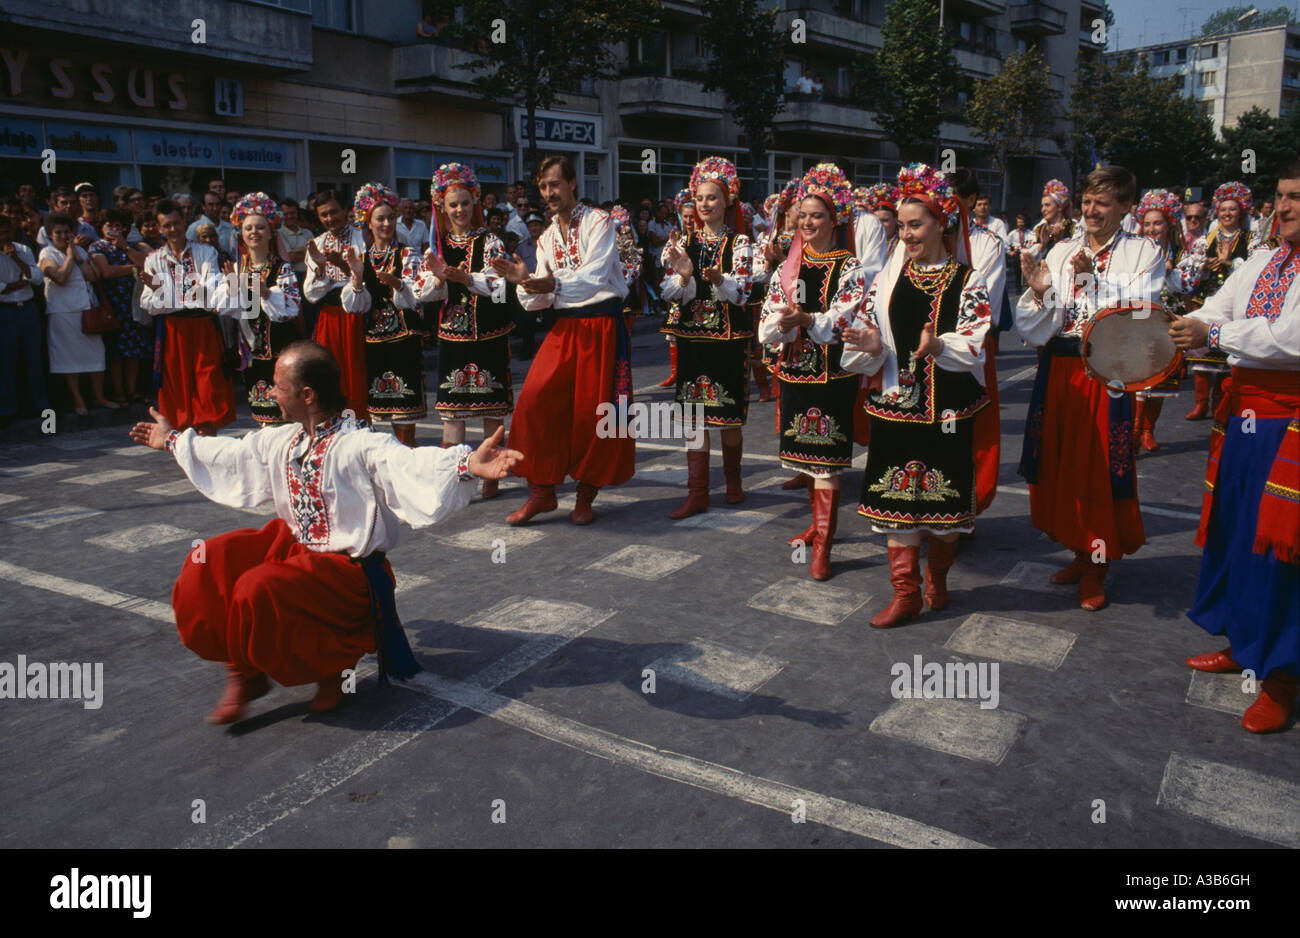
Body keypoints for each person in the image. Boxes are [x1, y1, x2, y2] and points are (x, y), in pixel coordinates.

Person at [128, 339, 523, 723]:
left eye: (279, 387)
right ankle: (244, 673)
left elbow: (409, 465)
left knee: (259, 589)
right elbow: (231, 455)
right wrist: (174, 440)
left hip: (346, 571)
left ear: (308, 395)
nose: (271, 394)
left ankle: (328, 666)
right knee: (207, 564)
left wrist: (467, 464)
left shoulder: (360, 445)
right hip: (297, 552)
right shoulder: (283, 440)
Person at [1168, 161, 1299, 733]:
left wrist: (1213, 334)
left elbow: (1290, 340)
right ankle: (1246, 643)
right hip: (1245, 410)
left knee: (1282, 544)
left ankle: (1283, 677)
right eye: (1280, 196)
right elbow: (1218, 308)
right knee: (1239, 526)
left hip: (1290, 420)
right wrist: (1182, 323)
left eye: (1297, 197)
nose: (1285, 207)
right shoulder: (1264, 260)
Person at [842, 163, 995, 625]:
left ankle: (939, 577)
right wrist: (870, 345)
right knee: (895, 505)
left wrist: (939, 346)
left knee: (944, 511)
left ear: (941, 223)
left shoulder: (969, 280)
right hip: (895, 408)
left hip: (948, 409)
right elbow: (869, 333)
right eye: (902, 225)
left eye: (916, 224)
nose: (906, 234)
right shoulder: (887, 281)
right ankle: (905, 593)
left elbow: (975, 340)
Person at [1016, 165, 1163, 610]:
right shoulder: (1061, 250)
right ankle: (1080, 553)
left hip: (1106, 371)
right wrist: (1041, 292)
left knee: (1097, 468)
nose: (1091, 210)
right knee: (1060, 464)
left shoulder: (1143, 252)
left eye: (1102, 202)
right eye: (1087, 201)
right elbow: (1035, 326)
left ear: (1125, 207)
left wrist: (1091, 282)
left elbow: (1141, 311)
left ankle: (1097, 566)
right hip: (1060, 369)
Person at [490, 154, 635, 526]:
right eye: (543, 187)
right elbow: (539, 296)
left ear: (572, 183)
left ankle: (586, 494)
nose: (549, 193)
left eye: (555, 184)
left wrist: (551, 283)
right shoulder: (547, 237)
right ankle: (542, 492)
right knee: (535, 401)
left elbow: (596, 275)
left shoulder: (599, 221)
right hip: (565, 326)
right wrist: (524, 281)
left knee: (595, 413)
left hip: (602, 325)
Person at [758, 163, 866, 580]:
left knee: (826, 461)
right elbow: (768, 316)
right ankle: (815, 526)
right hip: (796, 373)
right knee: (805, 456)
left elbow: (845, 316)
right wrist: (781, 325)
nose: (807, 222)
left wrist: (809, 321)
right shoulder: (789, 265)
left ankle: (824, 545)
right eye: (802, 215)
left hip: (832, 376)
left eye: (816, 215)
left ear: (834, 220)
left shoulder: (848, 266)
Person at [658, 157, 754, 517]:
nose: (704, 204)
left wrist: (718, 279)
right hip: (692, 339)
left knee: (728, 416)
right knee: (695, 417)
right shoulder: (683, 241)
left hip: (727, 341)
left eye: (712, 197)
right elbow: (668, 290)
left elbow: (743, 291)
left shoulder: (740, 242)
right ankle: (697, 491)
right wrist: (684, 275)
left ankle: (733, 482)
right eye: (699, 197)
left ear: (727, 201)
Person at [423, 163, 513, 484]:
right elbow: (423, 294)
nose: (459, 209)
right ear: (442, 207)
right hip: (453, 337)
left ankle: (492, 476)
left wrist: (465, 277)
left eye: (465, 202)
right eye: (453, 204)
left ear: (475, 202)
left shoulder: (491, 242)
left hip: (488, 336)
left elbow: (500, 287)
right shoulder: (437, 246)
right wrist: (438, 280)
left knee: (491, 408)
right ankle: (455, 475)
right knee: (453, 410)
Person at [340, 183, 433, 446]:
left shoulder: (408, 253)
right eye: (379, 219)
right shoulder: (362, 258)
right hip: (374, 341)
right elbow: (355, 306)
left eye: (391, 218)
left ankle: (407, 460)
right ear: (368, 223)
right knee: (380, 406)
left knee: (405, 407)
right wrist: (357, 278)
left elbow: (416, 298)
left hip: (405, 338)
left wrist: (397, 284)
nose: (386, 224)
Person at [139, 199, 237, 434]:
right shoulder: (154, 259)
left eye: (176, 223)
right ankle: (185, 443)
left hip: (203, 325)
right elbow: (147, 304)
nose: (173, 230)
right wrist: (179, 295)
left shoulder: (206, 251)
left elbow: (211, 292)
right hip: (172, 329)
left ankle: (208, 439)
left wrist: (165, 292)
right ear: (160, 228)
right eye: (167, 226)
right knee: (177, 385)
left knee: (208, 381)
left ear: (184, 221)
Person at [215, 193, 303, 426]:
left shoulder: (281, 268)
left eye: (260, 227)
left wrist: (266, 293)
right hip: (254, 350)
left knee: (287, 414)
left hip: (280, 347)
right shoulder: (237, 267)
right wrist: (233, 285)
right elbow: (228, 309)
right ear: (241, 234)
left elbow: (291, 309)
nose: (254, 232)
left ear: (271, 231)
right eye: (249, 228)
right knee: (263, 414)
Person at [1183, 181, 1253, 421]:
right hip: (1210, 296)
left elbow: (1253, 271)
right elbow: (1191, 271)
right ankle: (1200, 403)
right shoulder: (1207, 239)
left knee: (1225, 352)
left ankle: (1218, 402)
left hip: (1234, 302)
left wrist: (1230, 264)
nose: (1227, 214)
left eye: (1232, 209)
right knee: (1202, 353)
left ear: (1241, 211)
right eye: (1223, 209)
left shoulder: (1250, 239)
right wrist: (1203, 266)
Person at [1132, 189, 1195, 452]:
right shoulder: (1133, 251)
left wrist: (1171, 274)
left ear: (1169, 224)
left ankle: (1148, 429)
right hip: (1138, 321)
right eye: (1147, 223)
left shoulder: (1182, 253)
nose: (1151, 228)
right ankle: (1134, 430)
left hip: (1167, 322)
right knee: (1136, 379)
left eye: (1157, 223)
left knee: (1159, 380)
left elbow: (1189, 283)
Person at [38, 213, 117, 416]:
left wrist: (79, 257)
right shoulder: (47, 254)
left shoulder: (80, 249)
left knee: (96, 352)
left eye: (67, 232)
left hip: (86, 308)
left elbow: (93, 275)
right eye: (59, 233)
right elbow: (60, 277)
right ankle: (77, 398)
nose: (64, 236)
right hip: (62, 311)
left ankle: (98, 396)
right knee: (68, 358)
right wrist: (70, 257)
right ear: (50, 235)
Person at [304, 189, 369, 420]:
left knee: (355, 374)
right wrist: (321, 267)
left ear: (345, 210)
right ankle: (333, 428)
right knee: (329, 374)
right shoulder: (318, 243)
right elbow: (311, 293)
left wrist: (343, 266)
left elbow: (365, 278)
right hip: (329, 317)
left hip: (355, 313)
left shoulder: (362, 237)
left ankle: (359, 425)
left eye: (334, 211)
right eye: (324, 215)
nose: (330, 218)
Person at [88, 209, 151, 404]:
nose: (114, 230)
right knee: (117, 351)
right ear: (102, 228)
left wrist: (126, 249)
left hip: (133, 303)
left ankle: (131, 389)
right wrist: (133, 268)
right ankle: (118, 391)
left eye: (118, 226)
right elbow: (106, 271)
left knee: (134, 350)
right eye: (109, 226)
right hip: (113, 304)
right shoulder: (97, 246)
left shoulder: (129, 246)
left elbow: (146, 264)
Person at [0, 214, 48, 423]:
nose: (4, 237)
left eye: (7, 232)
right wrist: (15, 285)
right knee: (6, 362)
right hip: (5, 311)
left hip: (27, 309)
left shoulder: (23, 250)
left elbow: (36, 279)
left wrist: (16, 260)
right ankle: (8, 410)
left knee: (34, 359)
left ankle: (41, 407)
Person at [1025, 179, 1076, 261]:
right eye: (1042, 206)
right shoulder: (1038, 229)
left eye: (1047, 205)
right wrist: (1042, 245)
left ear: (1060, 207)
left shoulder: (1074, 228)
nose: (1043, 209)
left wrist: (1059, 241)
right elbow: (1025, 258)